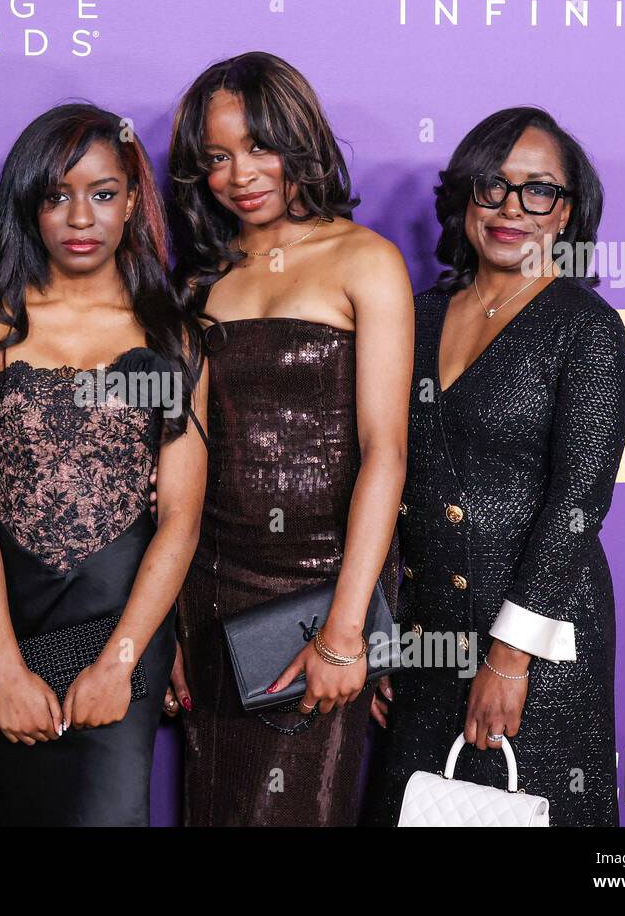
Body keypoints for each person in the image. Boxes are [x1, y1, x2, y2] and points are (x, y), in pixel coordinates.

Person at [365, 107, 625, 826]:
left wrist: (510, 658)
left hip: (537, 648)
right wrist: (380, 637)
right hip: (426, 641)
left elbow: (579, 502)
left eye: (538, 190)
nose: (512, 208)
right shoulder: (413, 316)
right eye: (493, 185)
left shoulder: (585, 326)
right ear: (465, 198)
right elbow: (385, 475)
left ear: (569, 211)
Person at [165, 51, 414, 826]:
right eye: (216, 157)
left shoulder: (365, 260)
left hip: (319, 598)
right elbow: (187, 466)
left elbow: (386, 453)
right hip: (211, 593)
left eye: (259, 146)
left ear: (299, 140)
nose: (239, 173)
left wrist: (346, 629)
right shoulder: (204, 281)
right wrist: (167, 626)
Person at [0, 103, 209, 826]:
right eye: (56, 196)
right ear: (29, 207)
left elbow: (180, 524)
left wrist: (121, 661)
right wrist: (3, 668)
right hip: (11, 627)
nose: (80, 216)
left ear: (132, 202)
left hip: (122, 627)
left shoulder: (171, 337)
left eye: (102, 193)